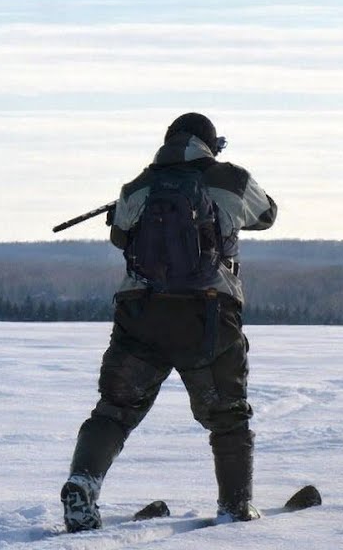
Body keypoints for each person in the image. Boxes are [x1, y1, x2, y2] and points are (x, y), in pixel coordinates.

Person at [61, 112, 277, 532]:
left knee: (115, 410)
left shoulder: (137, 185)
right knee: (228, 416)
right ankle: (235, 508)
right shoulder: (230, 178)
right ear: (210, 144)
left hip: (139, 314)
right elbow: (267, 214)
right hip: (208, 315)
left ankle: (82, 483)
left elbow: (120, 238)